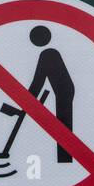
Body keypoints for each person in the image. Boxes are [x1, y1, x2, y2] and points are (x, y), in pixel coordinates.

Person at [26, 26, 74, 163]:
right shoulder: (49, 53)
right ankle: (64, 159)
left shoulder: (48, 54)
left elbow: (38, 82)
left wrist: (27, 101)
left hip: (63, 94)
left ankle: (65, 160)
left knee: (64, 128)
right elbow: (38, 83)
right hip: (63, 93)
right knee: (64, 128)